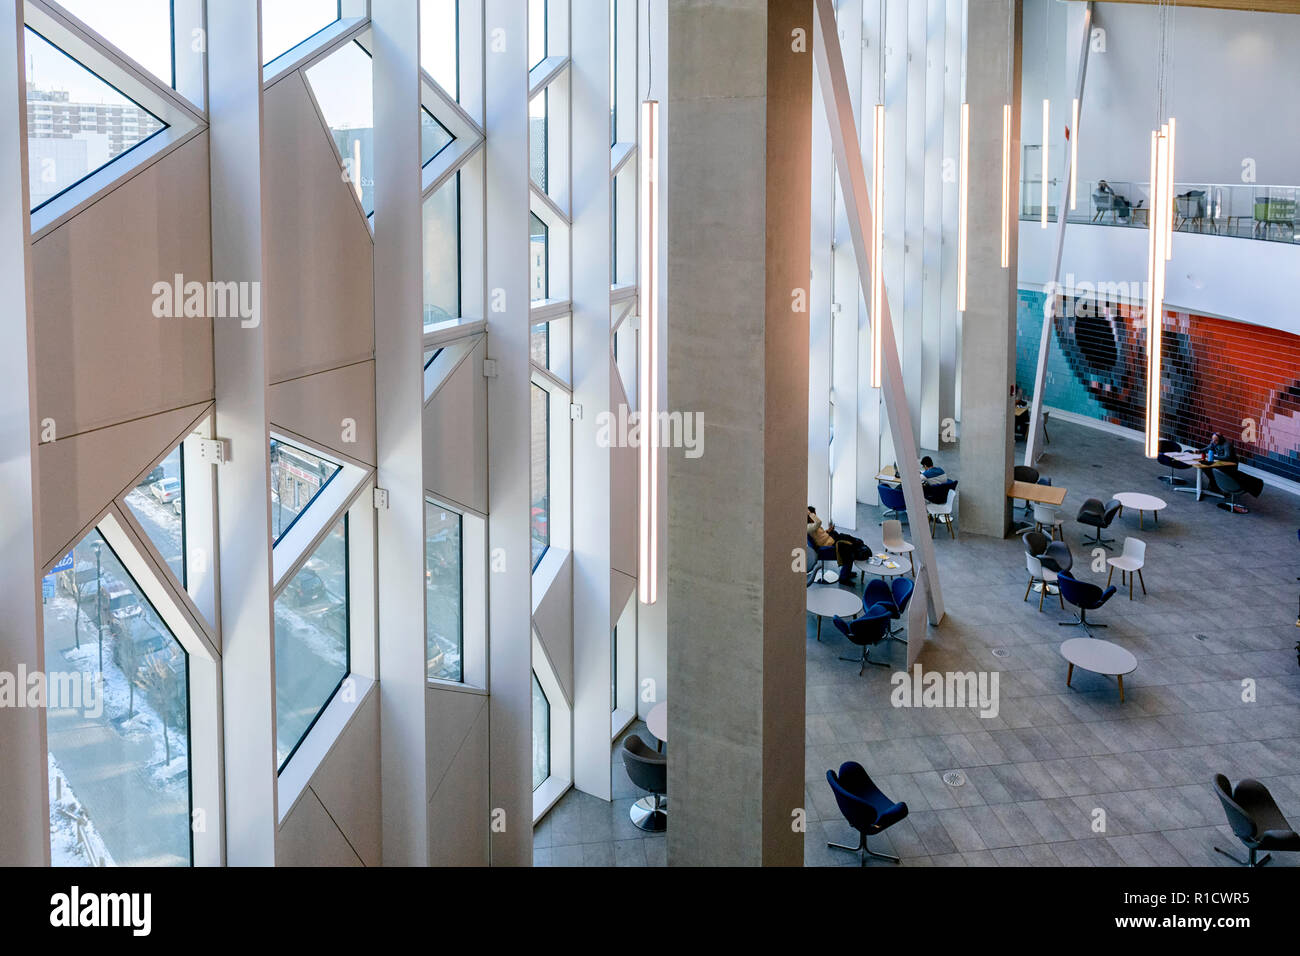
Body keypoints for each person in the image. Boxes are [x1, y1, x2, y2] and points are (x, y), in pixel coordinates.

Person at [807, 506, 868, 582]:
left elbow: (820, 535)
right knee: (849, 549)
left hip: (832, 540)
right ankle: (844, 577)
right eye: (814, 515)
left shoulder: (813, 525)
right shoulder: (808, 527)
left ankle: (846, 572)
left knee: (852, 540)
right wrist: (809, 513)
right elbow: (818, 522)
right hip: (827, 547)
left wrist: (828, 531)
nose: (815, 516)